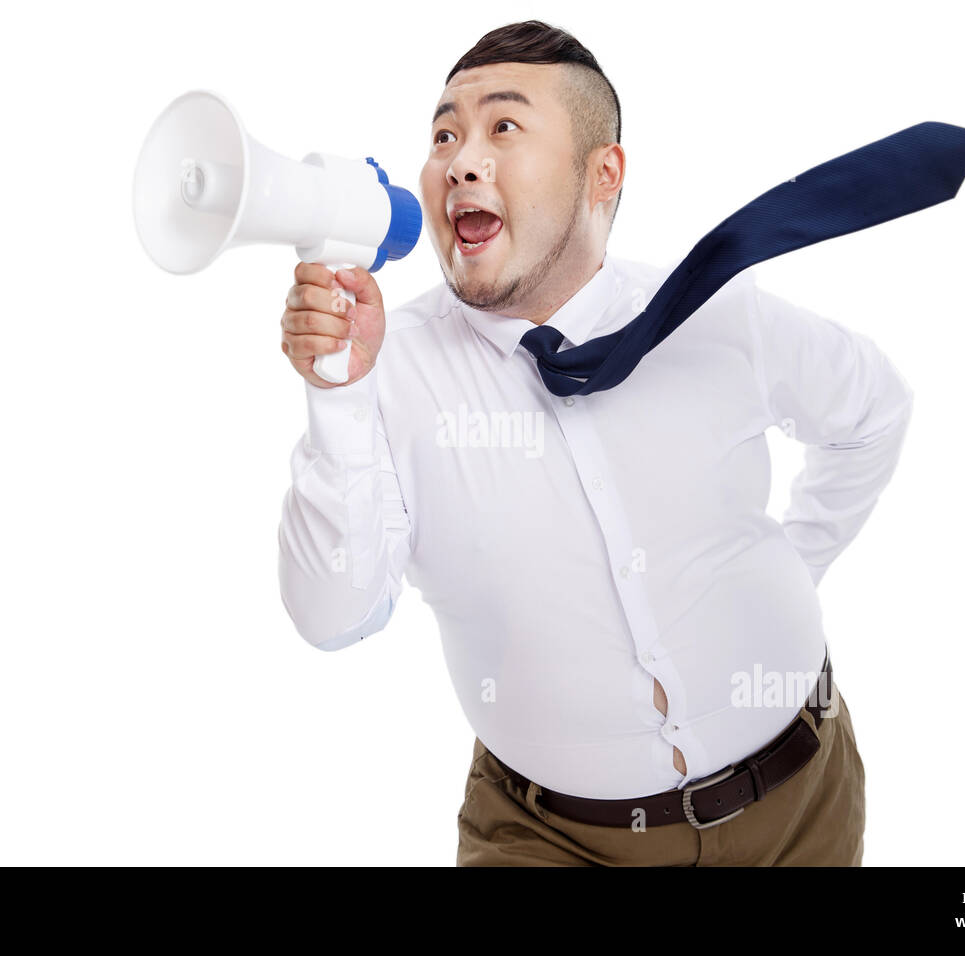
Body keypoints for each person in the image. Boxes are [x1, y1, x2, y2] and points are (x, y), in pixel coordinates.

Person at [277, 20, 910, 866]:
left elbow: (873, 410)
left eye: (504, 125)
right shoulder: (385, 373)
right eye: (444, 134)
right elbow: (331, 615)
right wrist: (338, 395)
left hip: (803, 807)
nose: (463, 158)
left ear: (601, 172)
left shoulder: (714, 313)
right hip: (547, 839)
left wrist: (795, 569)